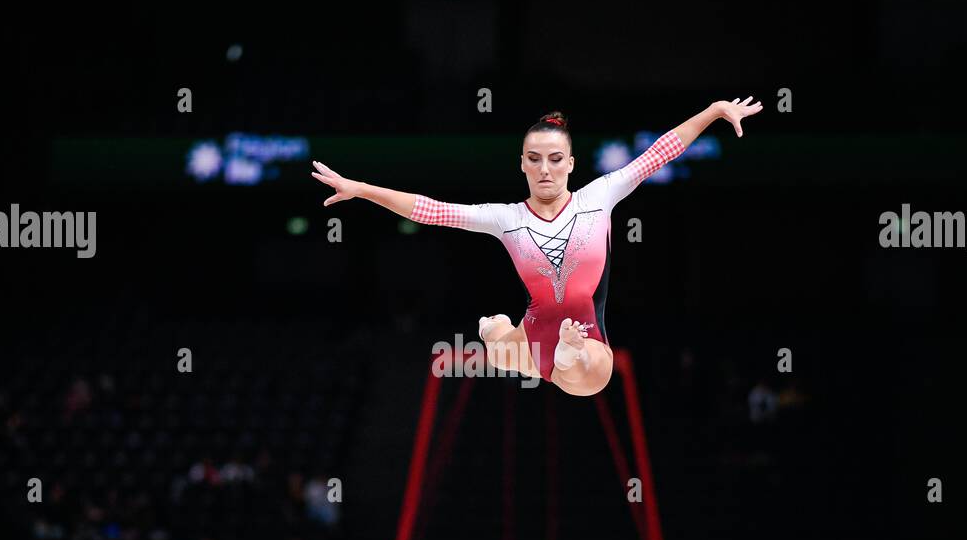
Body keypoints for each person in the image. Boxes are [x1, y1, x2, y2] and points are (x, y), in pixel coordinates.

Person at [311, 98, 763, 395]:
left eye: (554, 159)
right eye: (534, 159)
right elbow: (429, 210)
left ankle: (549, 345)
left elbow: (661, 152)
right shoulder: (506, 219)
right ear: (522, 164)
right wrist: (361, 189)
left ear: (570, 163)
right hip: (533, 340)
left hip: (583, 341)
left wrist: (716, 111)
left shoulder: (598, 197)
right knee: (498, 348)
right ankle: (501, 332)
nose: (544, 169)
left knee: (590, 377)